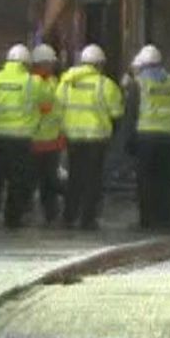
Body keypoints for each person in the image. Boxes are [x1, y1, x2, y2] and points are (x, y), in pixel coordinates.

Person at [58, 44, 123, 230]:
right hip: (96, 139)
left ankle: (68, 217)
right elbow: (117, 113)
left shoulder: (67, 83)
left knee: (74, 178)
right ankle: (87, 219)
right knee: (93, 180)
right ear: (99, 64)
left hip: (73, 138)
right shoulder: (106, 85)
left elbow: (56, 108)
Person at [124, 44, 170, 232]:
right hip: (167, 139)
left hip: (145, 139)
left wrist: (129, 140)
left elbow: (131, 113)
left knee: (146, 182)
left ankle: (147, 221)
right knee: (165, 182)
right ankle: (165, 221)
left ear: (143, 65)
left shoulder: (139, 84)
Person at [0, 44, 43, 229]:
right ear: (26, 63)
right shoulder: (33, 82)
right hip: (21, 139)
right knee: (18, 181)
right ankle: (13, 218)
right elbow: (48, 100)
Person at [30, 44, 65, 226]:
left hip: (52, 141)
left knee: (49, 182)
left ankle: (51, 214)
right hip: (35, 140)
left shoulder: (53, 82)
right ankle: (27, 212)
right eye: (49, 63)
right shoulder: (32, 82)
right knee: (32, 180)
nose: (52, 66)